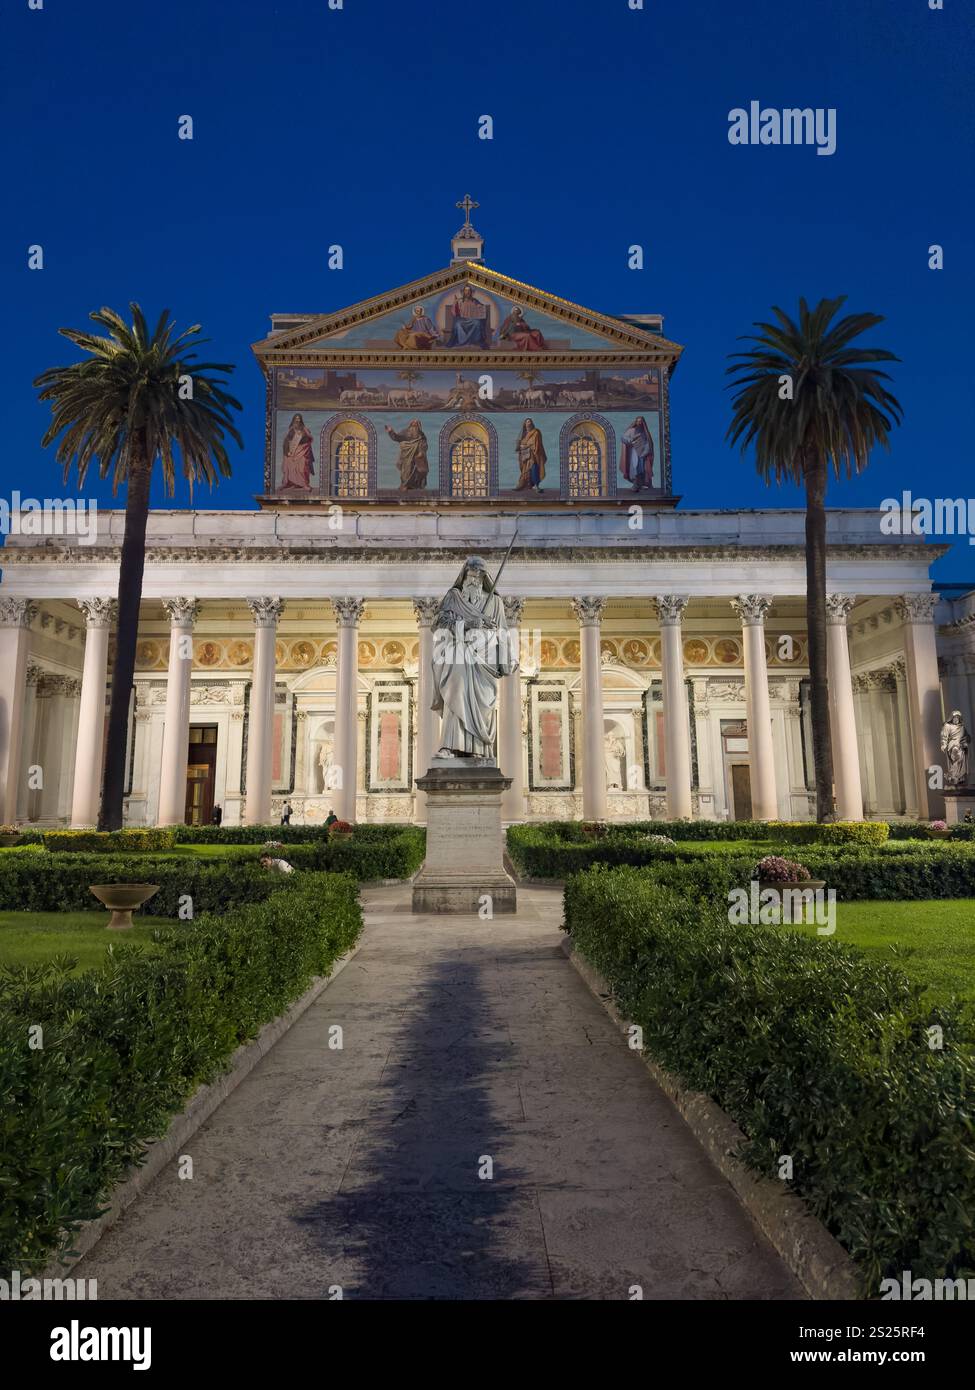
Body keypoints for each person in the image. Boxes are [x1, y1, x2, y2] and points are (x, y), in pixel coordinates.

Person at [431, 555, 517, 758]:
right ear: (463, 576)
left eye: (478, 578)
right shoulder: (454, 597)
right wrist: (468, 624)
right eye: (470, 577)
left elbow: (503, 631)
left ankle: (478, 749)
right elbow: (439, 624)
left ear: (484, 579)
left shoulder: (495, 602)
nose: (473, 581)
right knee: (456, 691)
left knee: (483, 704)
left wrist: (507, 659)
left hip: (485, 659)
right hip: (459, 655)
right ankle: (449, 745)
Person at [384, 419, 429, 490]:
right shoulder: (405, 432)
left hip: (418, 457)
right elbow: (397, 437)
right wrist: (391, 432)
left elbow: (424, 444)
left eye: (416, 425)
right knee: (406, 470)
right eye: (413, 424)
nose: (415, 427)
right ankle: (405, 484)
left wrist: (421, 452)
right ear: (410, 425)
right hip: (407, 455)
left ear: (419, 426)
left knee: (418, 471)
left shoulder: (421, 435)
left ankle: (415, 486)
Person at [280, 414, 315, 490]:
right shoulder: (291, 430)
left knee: (302, 468)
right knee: (290, 467)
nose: (297, 420)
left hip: (302, 451)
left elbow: (309, 439)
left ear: (301, 420)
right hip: (292, 452)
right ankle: (291, 483)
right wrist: (287, 452)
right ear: (293, 420)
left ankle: (304, 484)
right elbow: (286, 441)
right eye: (296, 419)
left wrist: (303, 437)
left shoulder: (304, 429)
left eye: (299, 419)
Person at [619, 416, 655, 491]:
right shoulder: (631, 430)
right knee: (634, 467)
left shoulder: (645, 432)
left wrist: (645, 452)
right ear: (635, 422)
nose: (639, 423)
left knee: (642, 468)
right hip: (634, 452)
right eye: (638, 421)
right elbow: (623, 437)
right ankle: (635, 484)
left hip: (642, 453)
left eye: (641, 421)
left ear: (643, 423)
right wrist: (631, 440)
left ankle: (641, 484)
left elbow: (648, 443)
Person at [514, 418, 547, 491]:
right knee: (525, 470)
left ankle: (536, 485)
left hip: (533, 454)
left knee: (534, 468)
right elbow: (521, 443)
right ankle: (525, 485)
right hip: (525, 455)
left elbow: (535, 443)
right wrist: (520, 446)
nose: (528, 423)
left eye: (529, 422)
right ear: (525, 424)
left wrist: (526, 445)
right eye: (527, 422)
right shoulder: (524, 434)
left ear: (532, 423)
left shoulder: (536, 432)